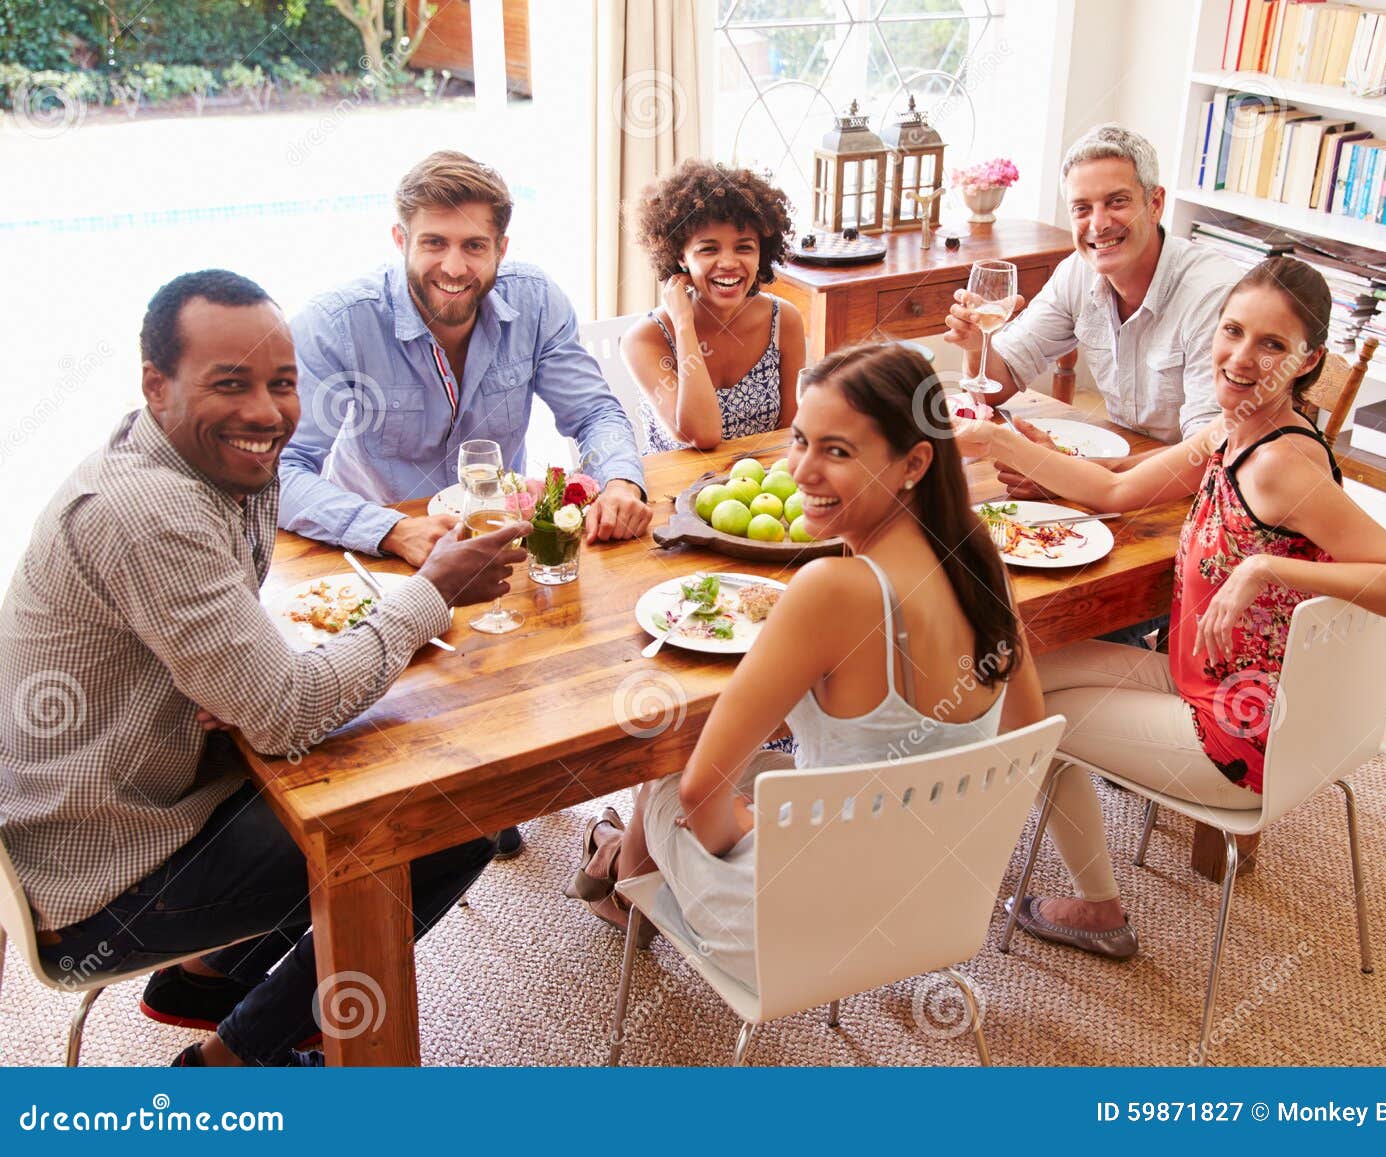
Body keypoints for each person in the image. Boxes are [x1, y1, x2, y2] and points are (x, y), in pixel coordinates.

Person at [0, 271, 529, 1066]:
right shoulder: (148, 512)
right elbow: (283, 712)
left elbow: (258, 687)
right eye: (231, 383)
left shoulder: (205, 460)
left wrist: (241, 690)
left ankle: (206, 974)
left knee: (389, 756)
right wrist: (433, 592)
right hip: (102, 880)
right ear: (156, 384)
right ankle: (233, 1059)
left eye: (282, 384)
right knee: (452, 817)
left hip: (143, 794)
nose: (266, 411)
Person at [565, 343, 1127, 985]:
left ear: (914, 463)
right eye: (799, 440)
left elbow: (698, 796)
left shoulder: (830, 590)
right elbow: (1022, 749)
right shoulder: (982, 562)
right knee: (759, 768)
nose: (801, 470)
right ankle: (614, 876)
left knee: (665, 765)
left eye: (837, 452)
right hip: (931, 910)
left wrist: (754, 831)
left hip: (796, 932)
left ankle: (615, 873)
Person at [955, 257, 1386, 949]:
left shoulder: (1279, 464)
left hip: (1243, 733)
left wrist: (1266, 568)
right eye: (1233, 330)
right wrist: (1002, 440)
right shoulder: (1230, 432)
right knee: (1019, 675)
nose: (1242, 358)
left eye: (1272, 345)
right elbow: (1115, 491)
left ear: (1309, 363)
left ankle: (1100, 910)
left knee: (1037, 717)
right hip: (1208, 685)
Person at [280, 149, 651, 565]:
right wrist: (391, 530)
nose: (454, 268)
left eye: (474, 246)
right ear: (401, 241)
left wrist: (619, 484)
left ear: (501, 248)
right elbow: (282, 470)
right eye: (434, 243)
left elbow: (593, 414)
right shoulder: (336, 323)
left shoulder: (537, 301)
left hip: (501, 543)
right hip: (376, 555)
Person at [943, 123, 1238, 475]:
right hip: (1129, 464)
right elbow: (994, 388)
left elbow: (1212, 452)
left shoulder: (1211, 294)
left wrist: (1077, 477)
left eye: (1117, 202)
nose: (1098, 224)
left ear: (1155, 204)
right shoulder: (1078, 273)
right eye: (1082, 209)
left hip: (1201, 489)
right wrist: (978, 347)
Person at [623, 159, 805, 452]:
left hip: (760, 490)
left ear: (762, 253)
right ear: (681, 256)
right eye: (708, 249)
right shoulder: (645, 338)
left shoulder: (784, 321)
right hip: (671, 492)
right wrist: (683, 325)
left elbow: (787, 437)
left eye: (744, 247)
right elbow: (702, 435)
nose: (729, 263)